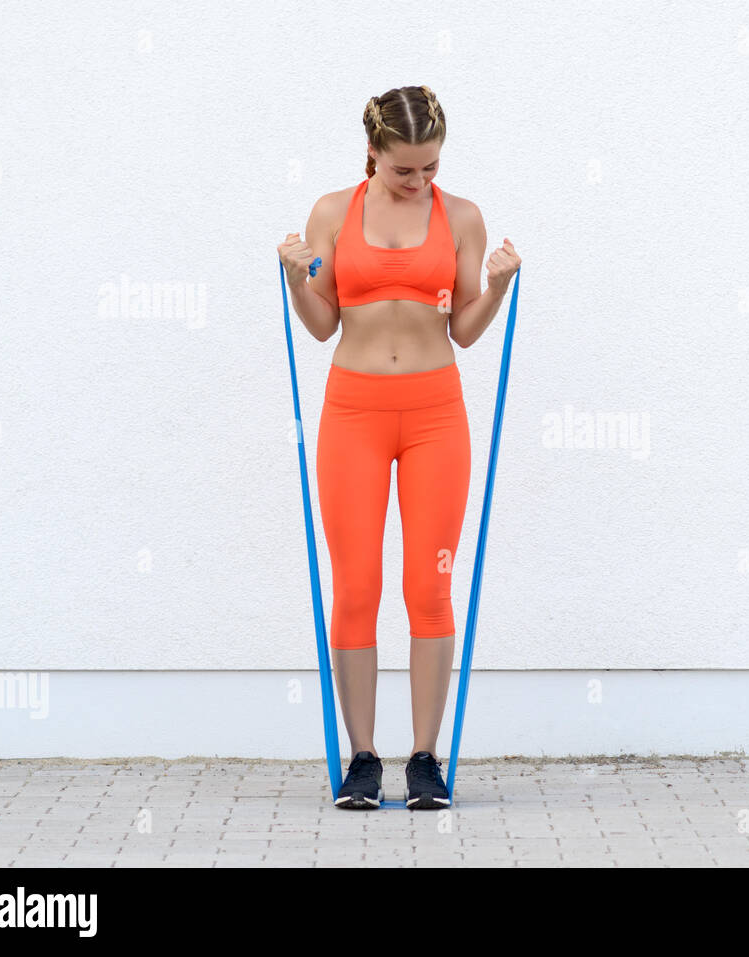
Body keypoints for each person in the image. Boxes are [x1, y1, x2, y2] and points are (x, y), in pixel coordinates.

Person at [276, 85, 520, 809]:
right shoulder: (331, 212)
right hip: (353, 412)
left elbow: (465, 330)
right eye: (404, 170)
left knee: (428, 587)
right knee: (355, 586)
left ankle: (424, 759)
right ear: (373, 153)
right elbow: (322, 326)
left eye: (431, 169)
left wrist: (499, 285)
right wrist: (297, 278)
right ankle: (361, 760)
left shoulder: (462, 217)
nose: (418, 182)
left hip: (434, 416)